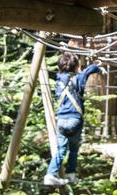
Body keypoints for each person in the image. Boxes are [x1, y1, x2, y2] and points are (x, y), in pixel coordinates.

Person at [44, 52, 105, 187]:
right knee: (73, 148)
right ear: (76, 67)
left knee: (61, 149)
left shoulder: (58, 80)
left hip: (61, 120)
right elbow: (89, 70)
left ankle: (50, 174)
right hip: (75, 119)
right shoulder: (79, 78)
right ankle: (70, 173)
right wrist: (99, 67)